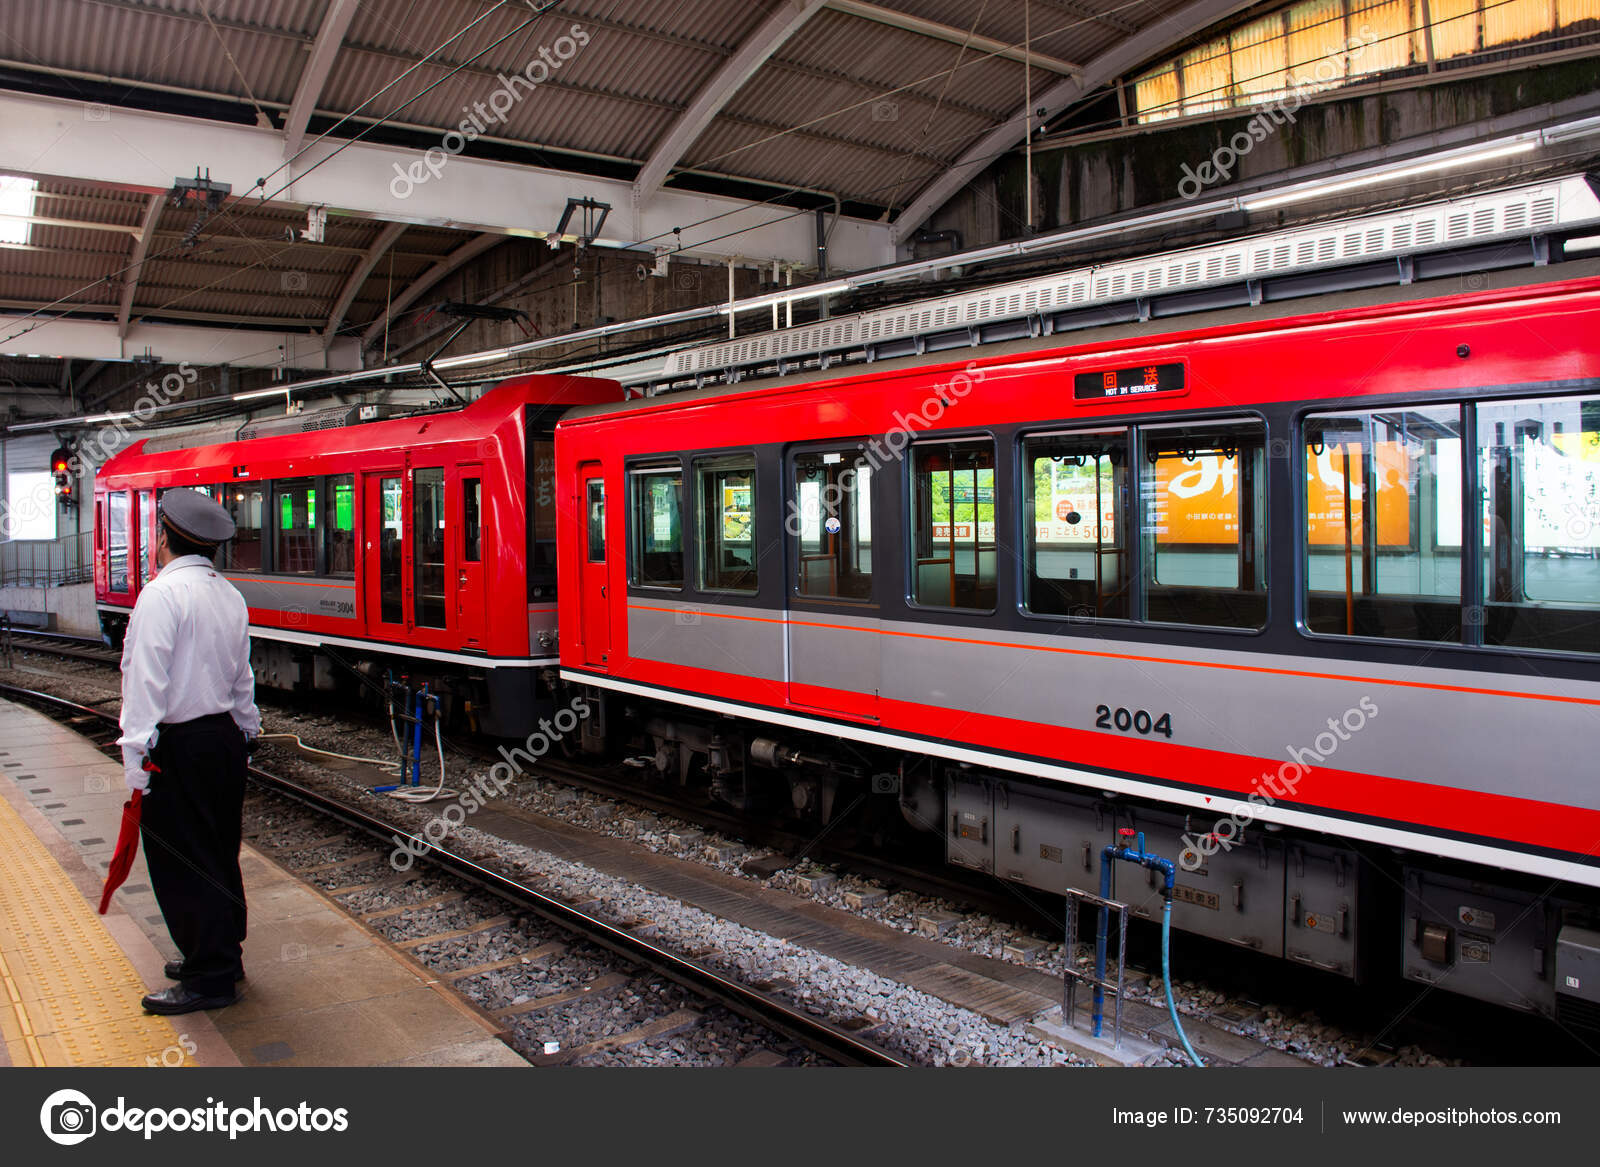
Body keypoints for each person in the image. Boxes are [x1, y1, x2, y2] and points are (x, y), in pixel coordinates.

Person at [117, 488, 260, 1015]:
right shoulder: (229, 594)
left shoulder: (161, 595)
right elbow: (241, 676)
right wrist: (248, 730)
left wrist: (135, 760)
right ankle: (222, 951)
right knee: (218, 849)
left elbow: (145, 683)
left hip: (179, 747)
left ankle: (210, 976)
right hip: (223, 738)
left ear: (162, 540)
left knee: (181, 859)